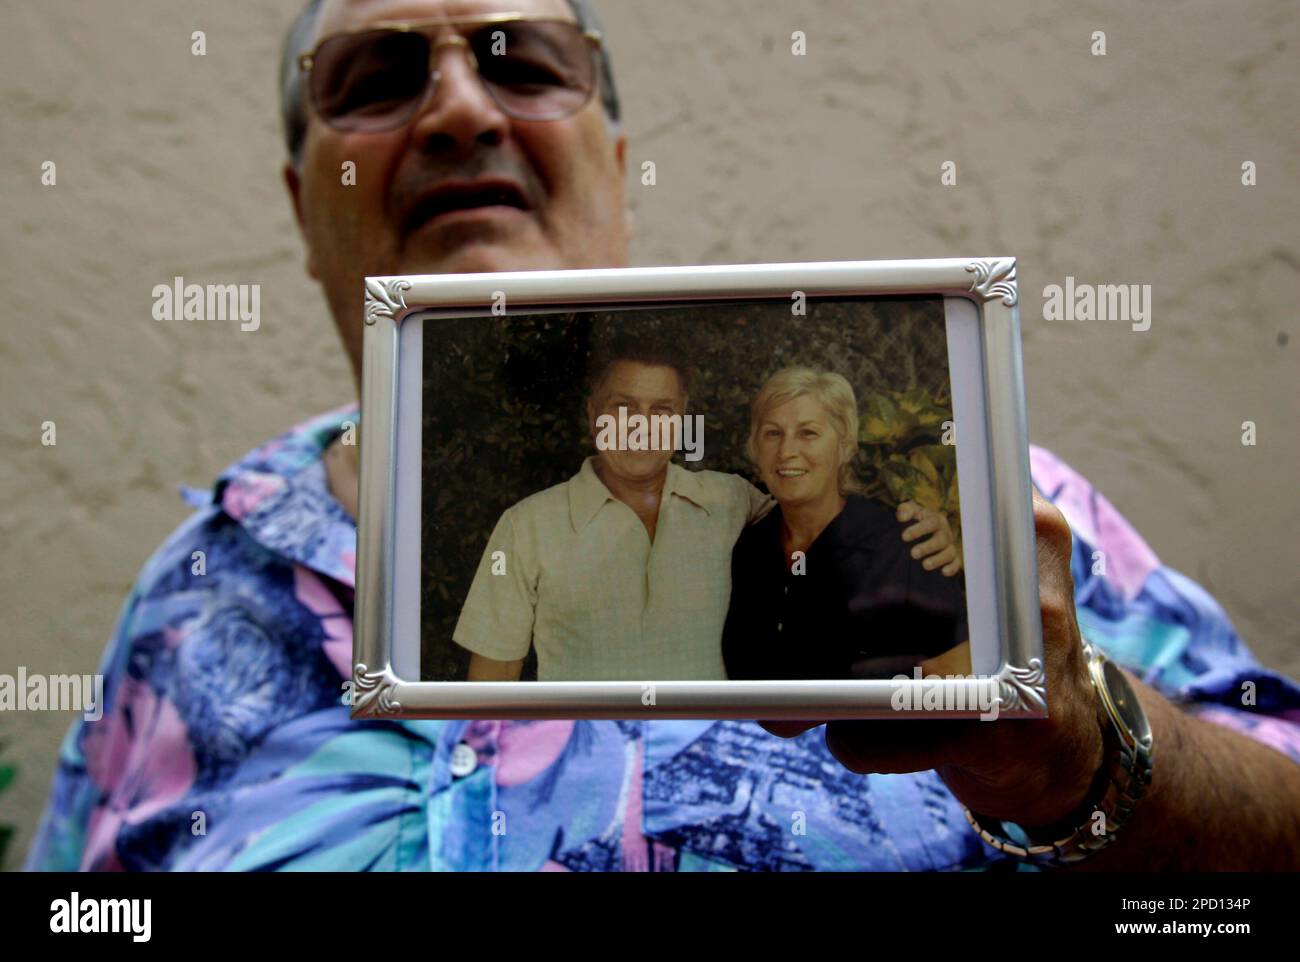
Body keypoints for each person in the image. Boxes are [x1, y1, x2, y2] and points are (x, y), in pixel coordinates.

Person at [24, 0, 1300, 871]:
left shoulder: (984, 504)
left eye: (525, 63)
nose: (460, 108)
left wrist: (1085, 754)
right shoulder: (191, 596)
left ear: (615, 158)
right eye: (377, 79)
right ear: (302, 207)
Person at [452, 341, 958, 682]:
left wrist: (934, 527)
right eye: (622, 407)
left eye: (662, 410)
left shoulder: (731, 502)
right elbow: (489, 696)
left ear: (681, 420)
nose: (640, 426)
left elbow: (821, 511)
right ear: (593, 414)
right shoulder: (526, 527)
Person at [723, 368, 970, 681]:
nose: (786, 451)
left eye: (808, 433)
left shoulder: (908, 547)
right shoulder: (748, 547)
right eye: (773, 433)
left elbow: (960, 687)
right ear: (754, 448)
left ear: (845, 445)